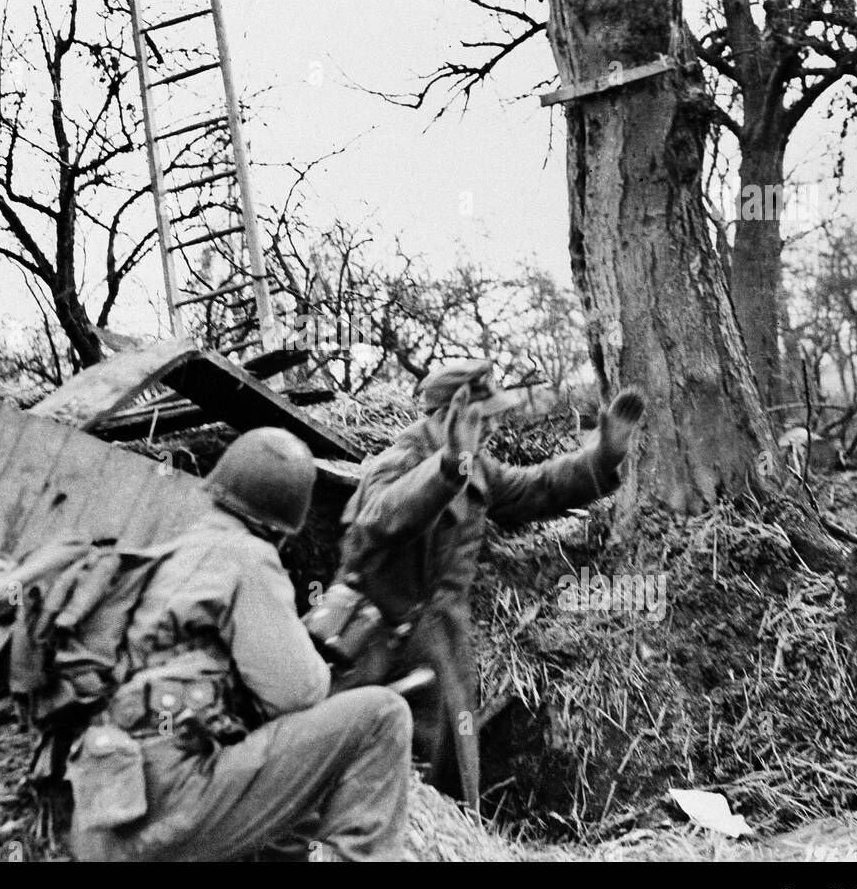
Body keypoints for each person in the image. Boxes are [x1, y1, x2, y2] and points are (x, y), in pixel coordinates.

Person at [68, 426, 412, 862]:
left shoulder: (169, 552)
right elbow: (298, 692)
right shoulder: (246, 557)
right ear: (284, 526)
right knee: (383, 714)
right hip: (170, 809)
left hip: (105, 810)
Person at [336, 360, 646, 811]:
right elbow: (381, 518)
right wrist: (447, 467)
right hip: (381, 649)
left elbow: (537, 487)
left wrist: (601, 458)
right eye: (485, 417)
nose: (496, 425)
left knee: (454, 767)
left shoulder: (476, 466)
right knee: (388, 774)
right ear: (447, 417)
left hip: (444, 641)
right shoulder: (398, 463)